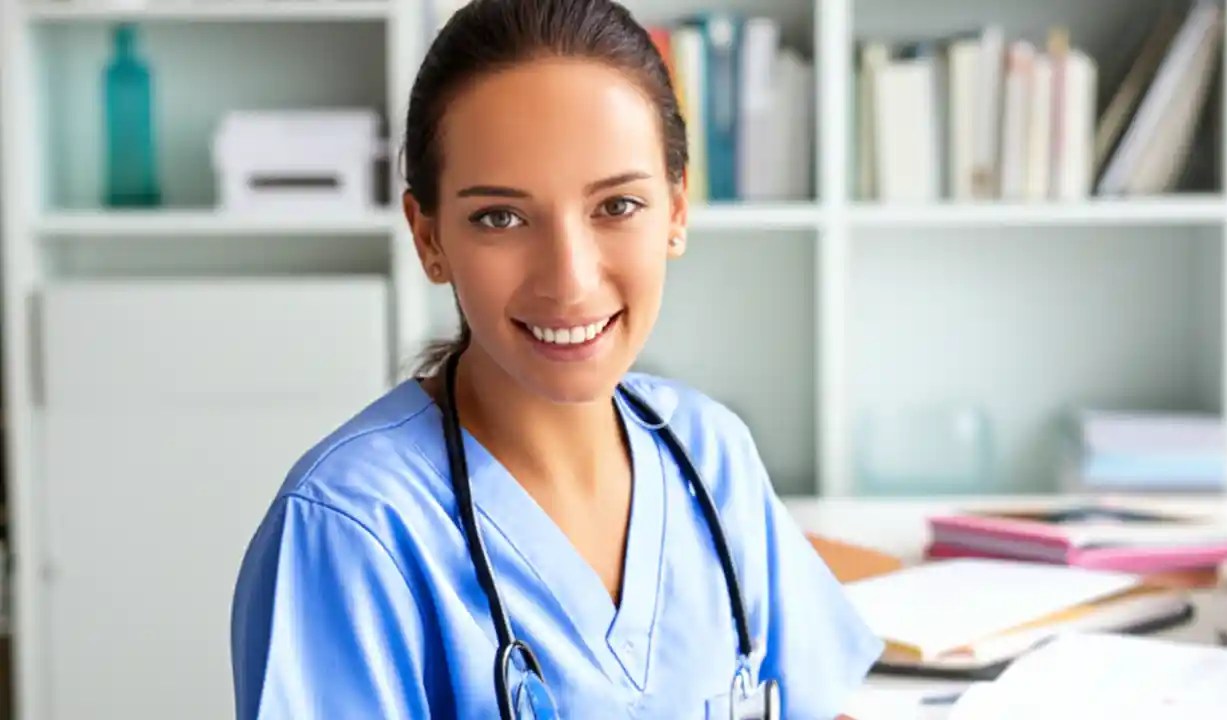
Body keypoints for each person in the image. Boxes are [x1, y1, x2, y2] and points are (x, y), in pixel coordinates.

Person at [229, 0, 883, 717]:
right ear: (429, 239)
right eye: (500, 218)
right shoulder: (353, 526)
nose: (569, 279)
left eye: (617, 207)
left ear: (676, 209)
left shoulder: (710, 453)